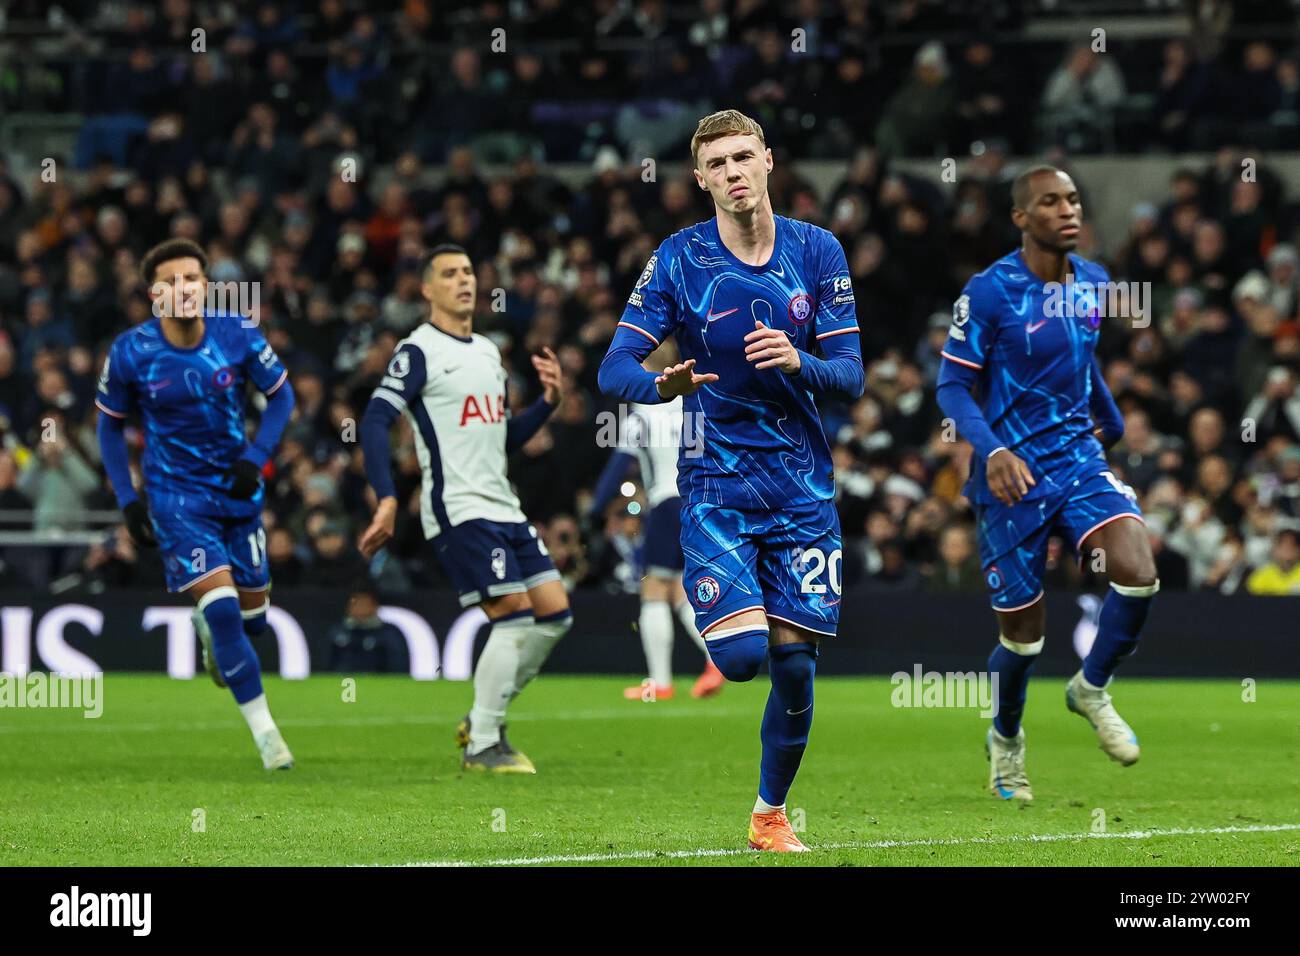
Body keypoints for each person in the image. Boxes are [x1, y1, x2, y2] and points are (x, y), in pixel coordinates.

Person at [598, 110, 864, 851]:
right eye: (718, 164)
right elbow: (613, 365)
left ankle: (769, 815)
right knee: (744, 661)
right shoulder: (679, 259)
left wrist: (798, 360)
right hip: (715, 482)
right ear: (701, 178)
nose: (733, 173)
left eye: (744, 157)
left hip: (803, 489)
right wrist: (661, 384)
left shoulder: (819, 251)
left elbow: (850, 375)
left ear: (770, 161)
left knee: (798, 669)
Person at [936, 165, 1159, 804]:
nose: (1068, 210)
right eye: (1050, 202)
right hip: (1010, 478)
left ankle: (1090, 688)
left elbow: (1083, 364)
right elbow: (952, 385)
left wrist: (1111, 423)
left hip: (1076, 459)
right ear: (1021, 218)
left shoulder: (1094, 282)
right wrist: (994, 450)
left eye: (1073, 199)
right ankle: (1005, 739)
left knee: (1138, 569)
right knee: (1023, 639)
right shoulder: (988, 293)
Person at [358, 243, 572, 774]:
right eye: (450, 274)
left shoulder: (487, 353)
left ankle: (482, 716)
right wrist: (387, 497)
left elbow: (501, 439)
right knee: (515, 617)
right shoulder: (418, 351)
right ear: (427, 289)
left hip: (502, 503)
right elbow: (373, 419)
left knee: (555, 616)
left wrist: (547, 404)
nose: (464, 281)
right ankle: (481, 742)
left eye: (470, 271)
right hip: (457, 506)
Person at [96, 238, 297, 770]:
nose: (182, 290)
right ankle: (268, 737)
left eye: (191, 279)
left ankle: (210, 634)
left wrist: (256, 457)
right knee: (228, 612)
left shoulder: (236, 333)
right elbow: (109, 427)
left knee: (254, 620)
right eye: (170, 282)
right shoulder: (131, 351)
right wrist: (127, 499)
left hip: (236, 490)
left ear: (206, 287)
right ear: (153, 294)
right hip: (176, 498)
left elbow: (282, 396)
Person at [588, 338, 724, 701]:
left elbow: (619, 464)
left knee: (652, 589)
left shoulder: (641, 408)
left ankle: (661, 682)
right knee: (679, 591)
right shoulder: (691, 404)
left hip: (665, 504)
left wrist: (594, 510)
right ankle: (714, 660)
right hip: (695, 505)